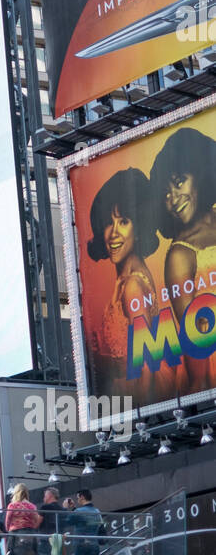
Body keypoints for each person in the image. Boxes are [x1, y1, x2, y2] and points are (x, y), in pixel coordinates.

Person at [85, 169, 161, 400]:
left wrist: (143, 412)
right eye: (108, 223)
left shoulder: (133, 286)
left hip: (136, 399)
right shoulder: (125, 280)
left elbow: (148, 361)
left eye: (124, 222)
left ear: (139, 227)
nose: (113, 234)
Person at [151, 128, 216, 394]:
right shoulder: (180, 255)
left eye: (179, 182)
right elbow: (195, 342)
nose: (174, 199)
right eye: (165, 193)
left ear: (200, 172)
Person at [3, 483, 41, 555]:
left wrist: (9, 530)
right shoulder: (31, 506)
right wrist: (32, 527)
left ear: (15, 493)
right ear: (26, 493)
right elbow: (37, 520)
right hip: (29, 536)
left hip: (14, 537)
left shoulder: (12, 506)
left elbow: (7, 523)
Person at [71, 489, 104, 555]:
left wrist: (65, 508)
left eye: (78, 497)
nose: (77, 500)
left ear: (82, 497)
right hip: (94, 545)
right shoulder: (97, 512)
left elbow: (68, 521)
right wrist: (73, 508)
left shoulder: (78, 511)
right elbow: (99, 526)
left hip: (81, 545)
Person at [39, 488, 65, 555]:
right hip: (58, 541)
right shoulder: (62, 509)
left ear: (50, 496)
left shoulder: (45, 507)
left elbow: (37, 523)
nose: (43, 498)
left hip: (45, 541)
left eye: (45, 496)